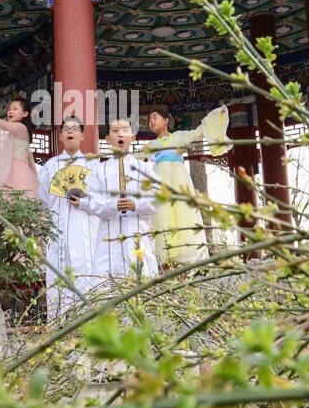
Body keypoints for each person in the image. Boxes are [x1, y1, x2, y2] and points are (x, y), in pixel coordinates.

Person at [142, 104, 231, 267]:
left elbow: (199, 131)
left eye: (155, 117)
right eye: (149, 120)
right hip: (160, 183)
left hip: (179, 181)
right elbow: (132, 158)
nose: (151, 121)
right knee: (162, 218)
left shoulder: (179, 137)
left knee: (183, 218)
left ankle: (183, 267)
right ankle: (164, 264)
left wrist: (216, 116)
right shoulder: (151, 146)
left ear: (166, 120)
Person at [76, 118, 159, 281]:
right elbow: (92, 201)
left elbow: (158, 199)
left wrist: (137, 204)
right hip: (108, 234)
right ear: (107, 139)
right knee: (105, 279)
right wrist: (112, 205)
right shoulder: (100, 170)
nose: (120, 134)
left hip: (137, 231)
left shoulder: (145, 169)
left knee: (141, 276)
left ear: (133, 137)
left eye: (125, 130)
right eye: (115, 131)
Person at [38, 117, 98, 319]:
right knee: (58, 273)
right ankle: (58, 325)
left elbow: (100, 198)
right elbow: (44, 198)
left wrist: (85, 203)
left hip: (86, 227)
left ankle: (88, 322)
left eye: (75, 128)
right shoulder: (51, 165)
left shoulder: (93, 164)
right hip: (58, 227)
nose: (70, 132)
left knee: (86, 271)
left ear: (82, 135)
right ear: (60, 135)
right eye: (66, 129)